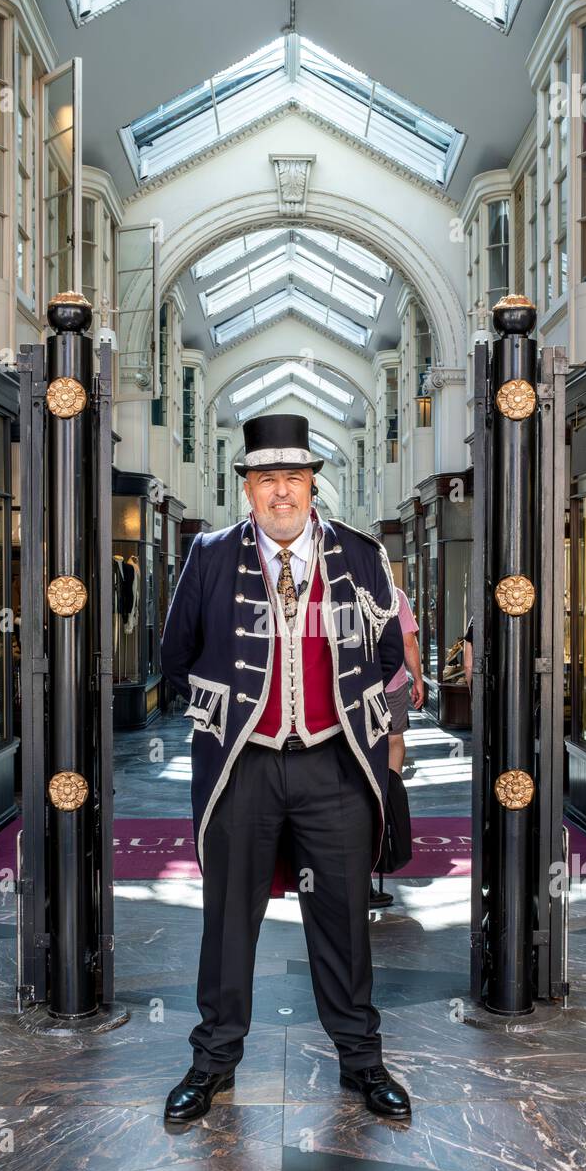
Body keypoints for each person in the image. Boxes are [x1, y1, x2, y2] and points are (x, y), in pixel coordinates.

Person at [160, 413, 410, 1123]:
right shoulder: (209, 556)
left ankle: (362, 1062)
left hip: (334, 766)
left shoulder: (359, 554)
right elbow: (174, 655)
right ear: (248, 489)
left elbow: (389, 656)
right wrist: (230, 717)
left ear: (311, 485)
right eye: (266, 479)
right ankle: (212, 1063)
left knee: (343, 922)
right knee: (228, 920)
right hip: (244, 768)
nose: (280, 493)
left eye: (292, 478)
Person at [385, 587, 424, 775]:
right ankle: (392, 794)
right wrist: (418, 679)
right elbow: (408, 642)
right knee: (394, 739)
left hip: (354, 683)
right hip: (392, 682)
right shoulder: (395, 595)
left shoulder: (341, 590)